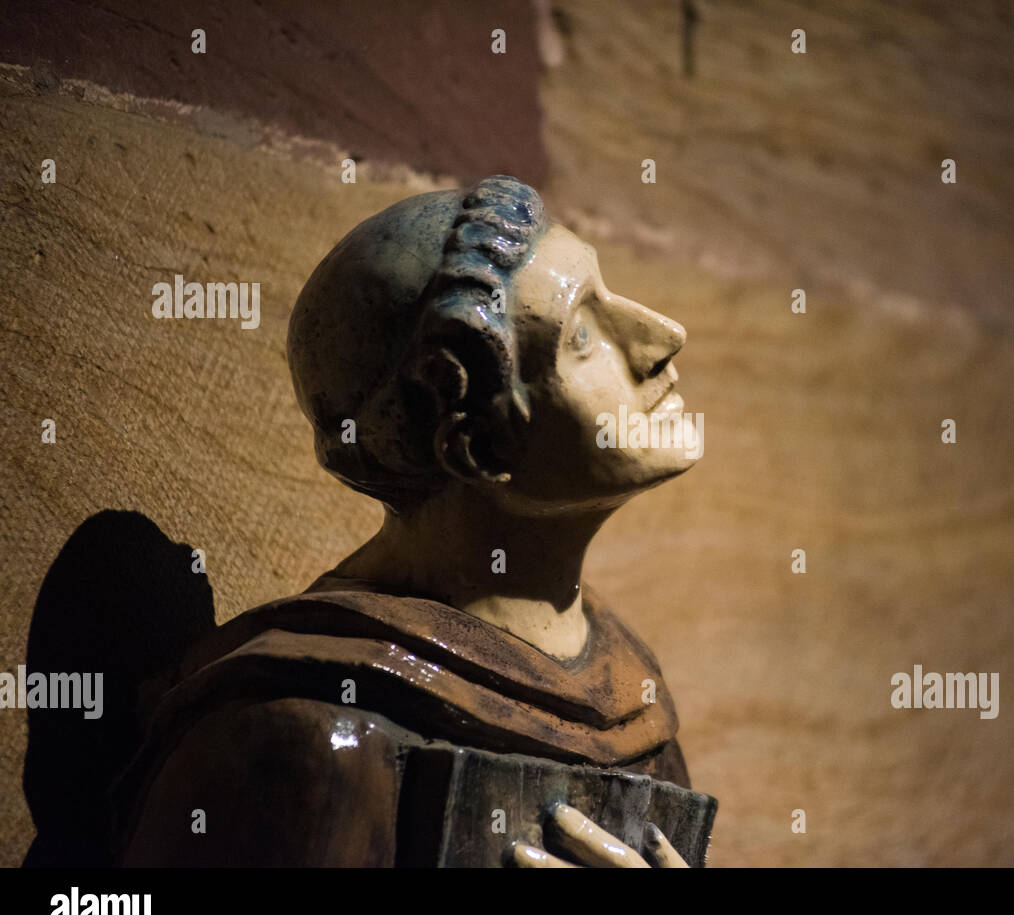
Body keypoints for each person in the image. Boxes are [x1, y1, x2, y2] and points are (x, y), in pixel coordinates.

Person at [114, 176, 713, 867]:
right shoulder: (305, 739)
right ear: (471, 439)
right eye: (582, 333)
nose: (663, 337)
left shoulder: (630, 707)